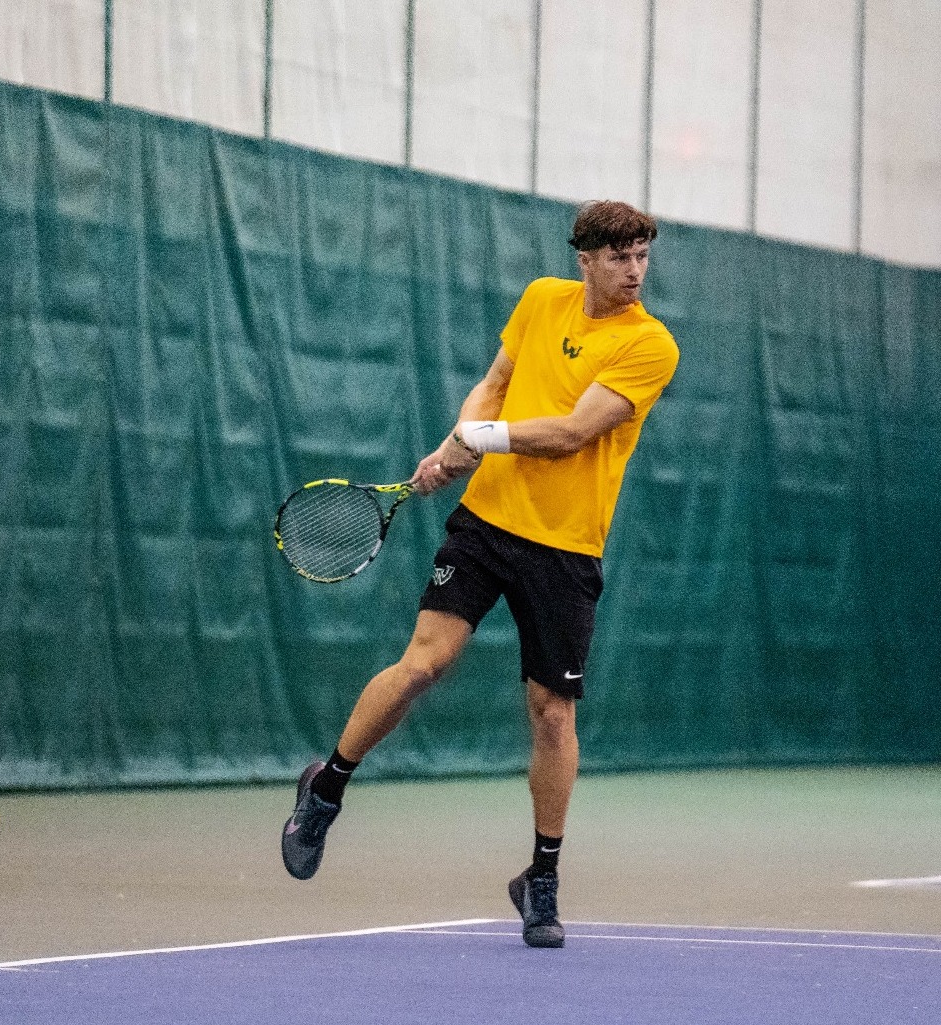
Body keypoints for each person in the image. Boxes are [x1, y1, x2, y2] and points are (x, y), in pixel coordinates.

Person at [280, 200, 681, 948]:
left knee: (551, 712)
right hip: (486, 526)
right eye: (620, 258)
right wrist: (455, 442)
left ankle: (542, 877)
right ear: (585, 259)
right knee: (423, 664)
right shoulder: (540, 300)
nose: (634, 272)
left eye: (642, 257)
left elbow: (569, 434)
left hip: (566, 549)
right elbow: (493, 384)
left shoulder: (650, 345)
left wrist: (477, 437)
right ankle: (327, 785)